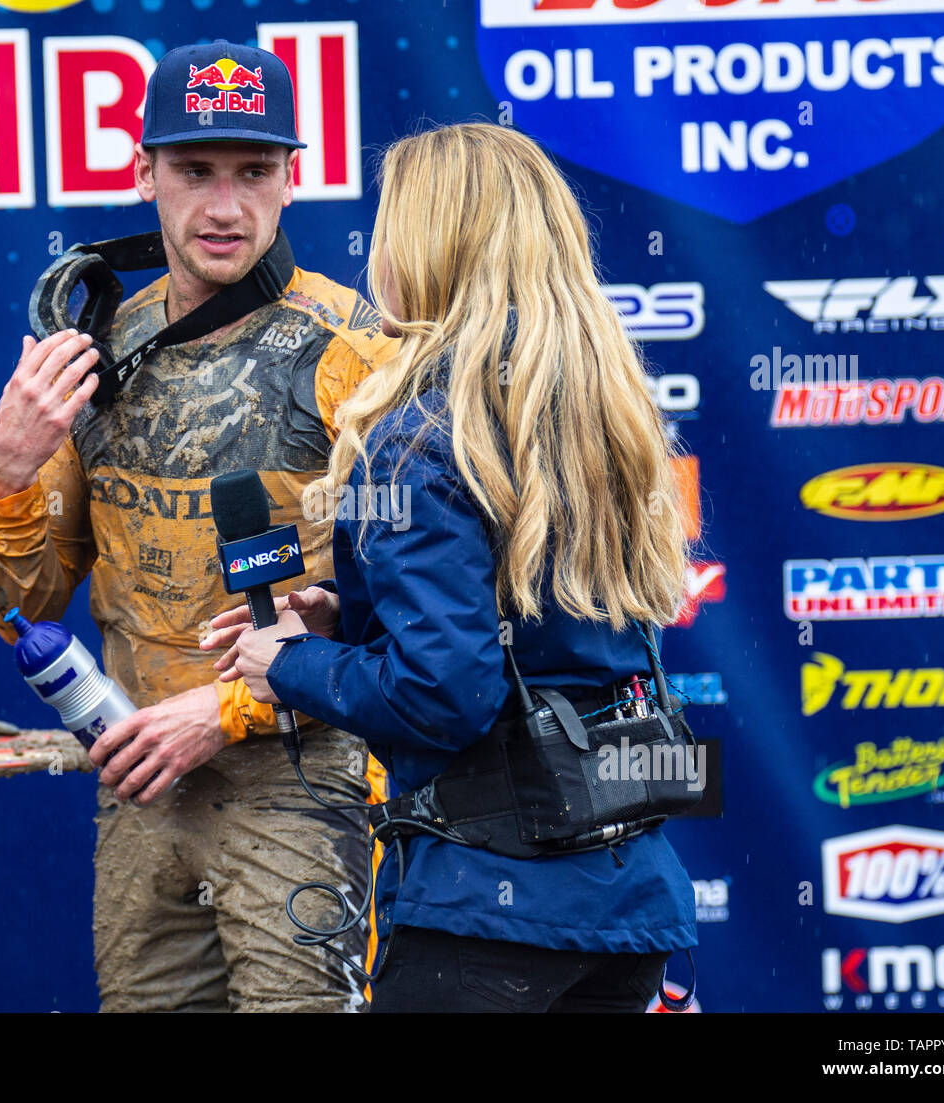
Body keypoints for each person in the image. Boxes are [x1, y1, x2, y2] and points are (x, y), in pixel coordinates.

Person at [203, 122, 698, 1013]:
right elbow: (536, 632)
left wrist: (288, 665)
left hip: (486, 916)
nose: (376, 253)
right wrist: (344, 623)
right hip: (631, 907)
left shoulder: (415, 435)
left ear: (428, 246)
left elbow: (448, 690)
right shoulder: (596, 409)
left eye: (390, 225)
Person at [0, 39, 395, 1012]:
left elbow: (425, 617)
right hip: (140, 786)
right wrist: (9, 471)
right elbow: (16, 611)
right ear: (143, 171)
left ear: (293, 180)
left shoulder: (358, 348)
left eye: (253, 172)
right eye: (194, 170)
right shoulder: (90, 349)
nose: (222, 205)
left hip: (309, 777)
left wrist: (230, 708)